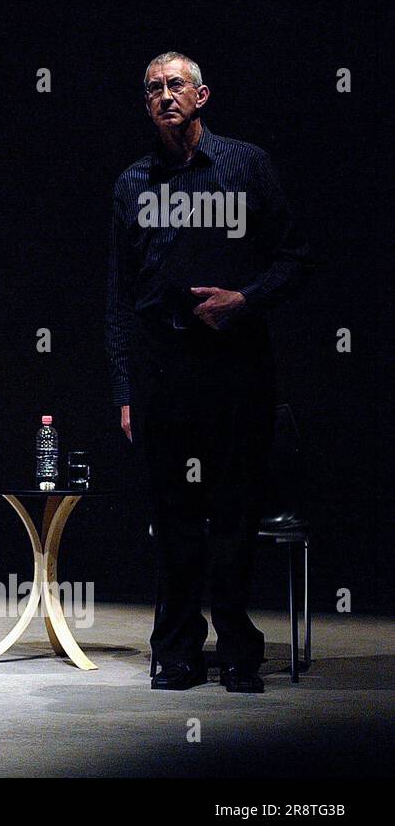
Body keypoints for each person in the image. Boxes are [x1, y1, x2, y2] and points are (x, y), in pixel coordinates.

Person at [105, 53, 310, 692]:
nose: (165, 96)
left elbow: (295, 255)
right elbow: (118, 293)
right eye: (153, 89)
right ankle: (175, 650)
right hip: (161, 366)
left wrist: (244, 300)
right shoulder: (132, 184)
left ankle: (239, 647)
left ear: (202, 95)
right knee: (173, 516)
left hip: (236, 364)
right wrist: (126, 390)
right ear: (146, 105)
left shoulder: (246, 166)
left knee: (234, 511)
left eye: (176, 85)